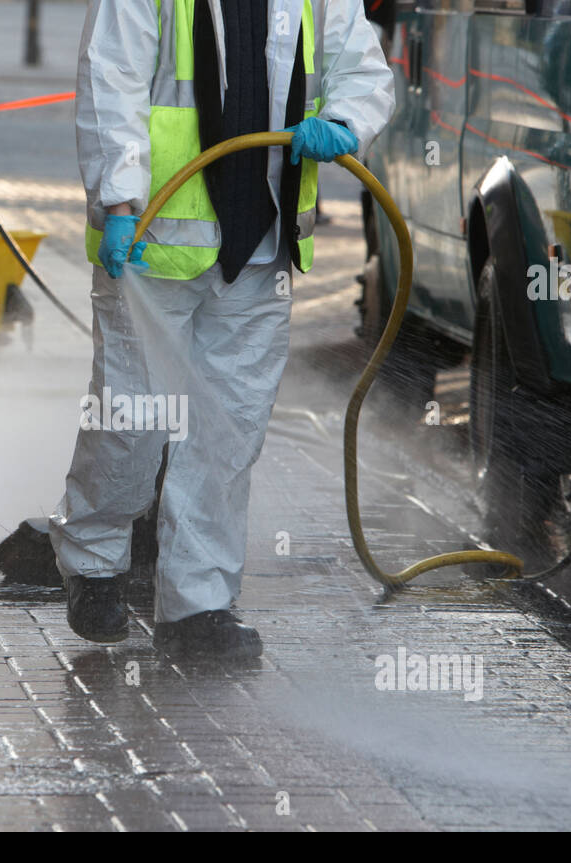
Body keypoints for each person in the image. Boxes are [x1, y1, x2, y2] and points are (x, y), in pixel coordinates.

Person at [50, 0, 395, 658]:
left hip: (261, 247)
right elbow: (109, 77)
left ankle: (197, 605)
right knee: (133, 416)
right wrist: (118, 200)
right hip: (153, 243)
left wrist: (347, 120)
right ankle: (93, 562)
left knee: (226, 430)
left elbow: (364, 67)